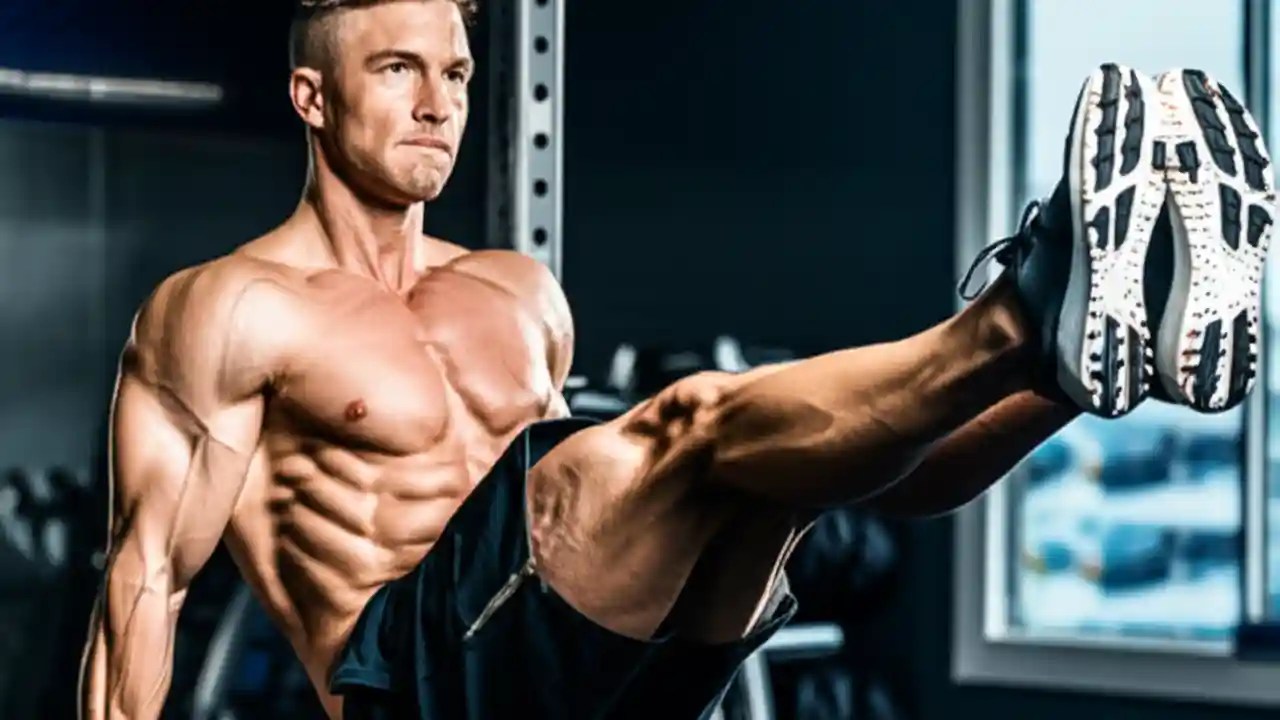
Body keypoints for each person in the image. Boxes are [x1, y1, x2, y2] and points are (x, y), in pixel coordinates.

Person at [78, 0, 1275, 717]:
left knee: (780, 483)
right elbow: (143, 590)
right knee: (692, 424)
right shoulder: (227, 309)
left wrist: (1041, 404)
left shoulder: (512, 288)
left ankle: (1056, 367)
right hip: (416, 691)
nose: (439, 101)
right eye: (397, 69)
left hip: (598, 680)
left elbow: (557, 528)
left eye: (454, 71)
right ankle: (1023, 311)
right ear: (311, 94)